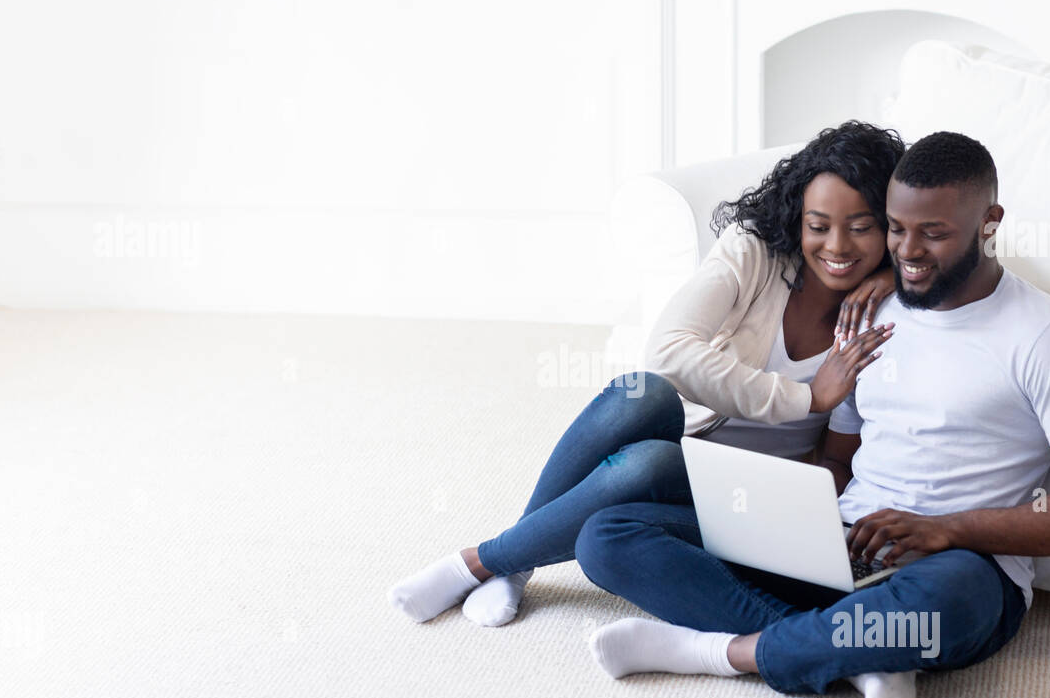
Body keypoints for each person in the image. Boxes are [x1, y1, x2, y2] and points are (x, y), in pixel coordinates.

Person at [573, 131, 1050, 698]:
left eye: (935, 234)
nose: (909, 251)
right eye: (897, 229)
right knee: (609, 535)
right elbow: (839, 458)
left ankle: (719, 651)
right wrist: (794, 518)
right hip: (841, 542)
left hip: (960, 563)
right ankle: (853, 654)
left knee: (946, 603)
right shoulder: (871, 314)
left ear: (989, 221)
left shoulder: (1048, 339)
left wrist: (946, 530)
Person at [388, 121, 905, 627]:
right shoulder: (755, 254)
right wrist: (805, 398)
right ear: (798, 220)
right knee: (644, 394)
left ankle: (478, 561)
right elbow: (668, 351)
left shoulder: (879, 320)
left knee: (647, 464)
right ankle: (515, 557)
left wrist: (789, 509)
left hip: (754, 494)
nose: (837, 246)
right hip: (693, 450)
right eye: (819, 226)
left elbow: (839, 465)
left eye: (861, 228)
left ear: (889, 224)